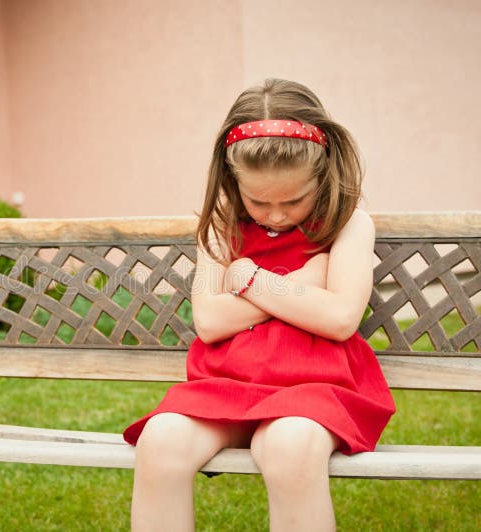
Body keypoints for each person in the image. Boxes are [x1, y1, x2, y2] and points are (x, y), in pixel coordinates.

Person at [122, 79, 396, 531]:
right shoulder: (219, 227)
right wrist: (299, 285)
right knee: (161, 440)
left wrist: (248, 279)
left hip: (315, 388)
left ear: (322, 174)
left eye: (293, 200)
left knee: (291, 445)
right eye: (258, 200)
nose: (275, 215)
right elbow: (210, 321)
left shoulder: (349, 225)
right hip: (226, 383)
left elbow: (339, 318)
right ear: (233, 180)